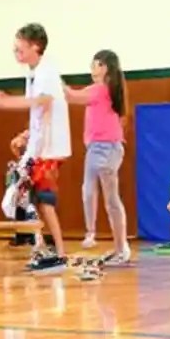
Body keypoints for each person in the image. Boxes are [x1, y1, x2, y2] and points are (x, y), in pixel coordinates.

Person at [0, 23, 94, 278]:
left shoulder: (46, 72)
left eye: (20, 47)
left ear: (35, 46)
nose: (16, 52)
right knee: (30, 198)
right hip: (41, 146)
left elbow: (45, 102)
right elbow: (40, 113)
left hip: (49, 149)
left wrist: (5, 102)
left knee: (43, 201)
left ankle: (58, 252)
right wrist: (26, 135)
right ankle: (43, 248)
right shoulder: (34, 72)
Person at [63, 49, 130, 263]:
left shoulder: (100, 90)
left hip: (103, 148)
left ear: (104, 67)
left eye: (95, 65)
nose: (92, 69)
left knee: (93, 192)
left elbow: (71, 96)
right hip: (107, 148)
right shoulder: (108, 90)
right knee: (107, 198)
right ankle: (119, 248)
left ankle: (94, 234)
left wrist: (53, 79)